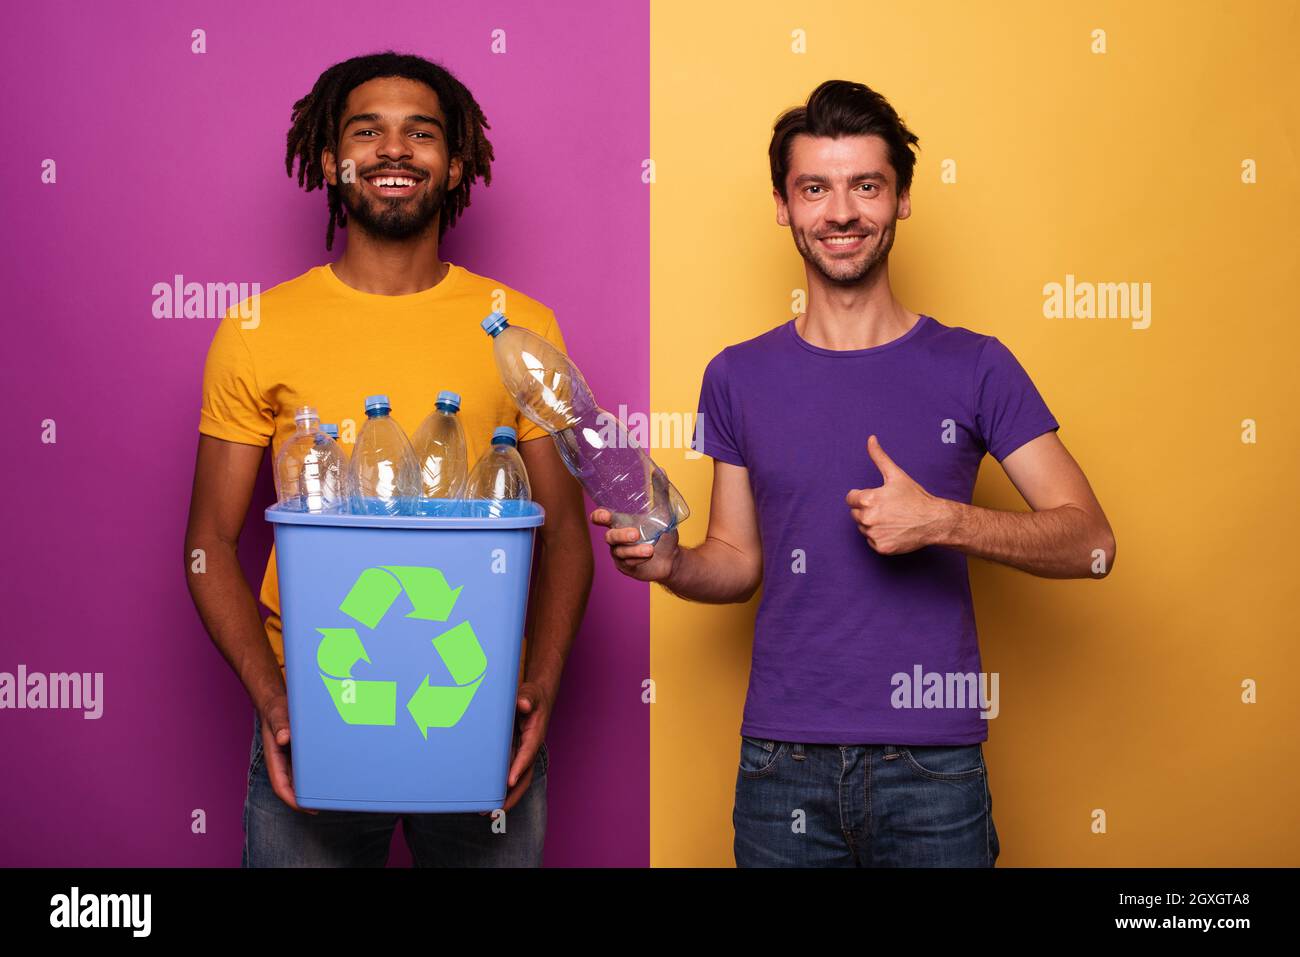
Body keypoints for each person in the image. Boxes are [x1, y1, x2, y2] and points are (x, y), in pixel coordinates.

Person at [592, 80, 1115, 867]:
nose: (840, 212)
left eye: (865, 185)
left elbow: (1093, 543)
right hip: (780, 764)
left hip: (933, 767)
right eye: (815, 188)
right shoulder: (736, 376)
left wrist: (942, 520)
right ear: (784, 205)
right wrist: (672, 563)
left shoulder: (976, 365)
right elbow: (735, 561)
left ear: (900, 198)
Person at [184, 52, 593, 867]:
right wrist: (274, 701)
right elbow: (208, 546)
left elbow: (568, 539)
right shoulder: (258, 330)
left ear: (457, 161)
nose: (394, 150)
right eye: (367, 131)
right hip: (319, 714)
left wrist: (540, 684)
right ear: (332, 162)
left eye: (421, 133)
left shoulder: (521, 325)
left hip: (479, 715)